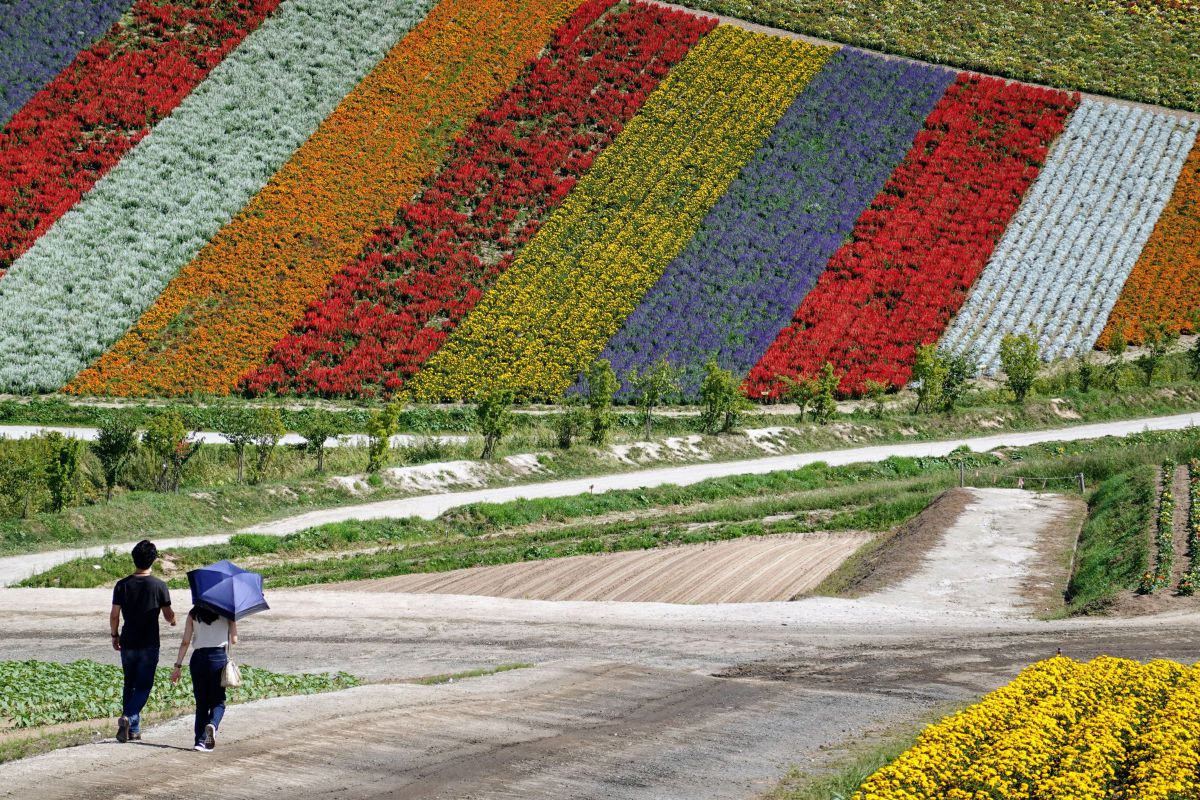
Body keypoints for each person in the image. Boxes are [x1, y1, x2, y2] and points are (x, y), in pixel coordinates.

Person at [110, 539, 176, 742]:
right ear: (154, 560)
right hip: (149, 642)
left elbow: (114, 615)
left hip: (128, 640)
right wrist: (173, 619)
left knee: (129, 683)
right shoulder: (159, 586)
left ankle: (133, 729)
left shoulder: (122, 585)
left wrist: (114, 635)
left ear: (134, 559)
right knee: (144, 686)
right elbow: (167, 614)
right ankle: (128, 717)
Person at [170, 604, 238, 752]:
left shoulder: (194, 613)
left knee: (201, 703)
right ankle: (212, 724)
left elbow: (185, 642)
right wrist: (231, 622)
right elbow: (234, 639)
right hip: (218, 657)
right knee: (218, 700)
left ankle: (200, 742)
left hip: (198, 658)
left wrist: (178, 666)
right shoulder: (226, 612)